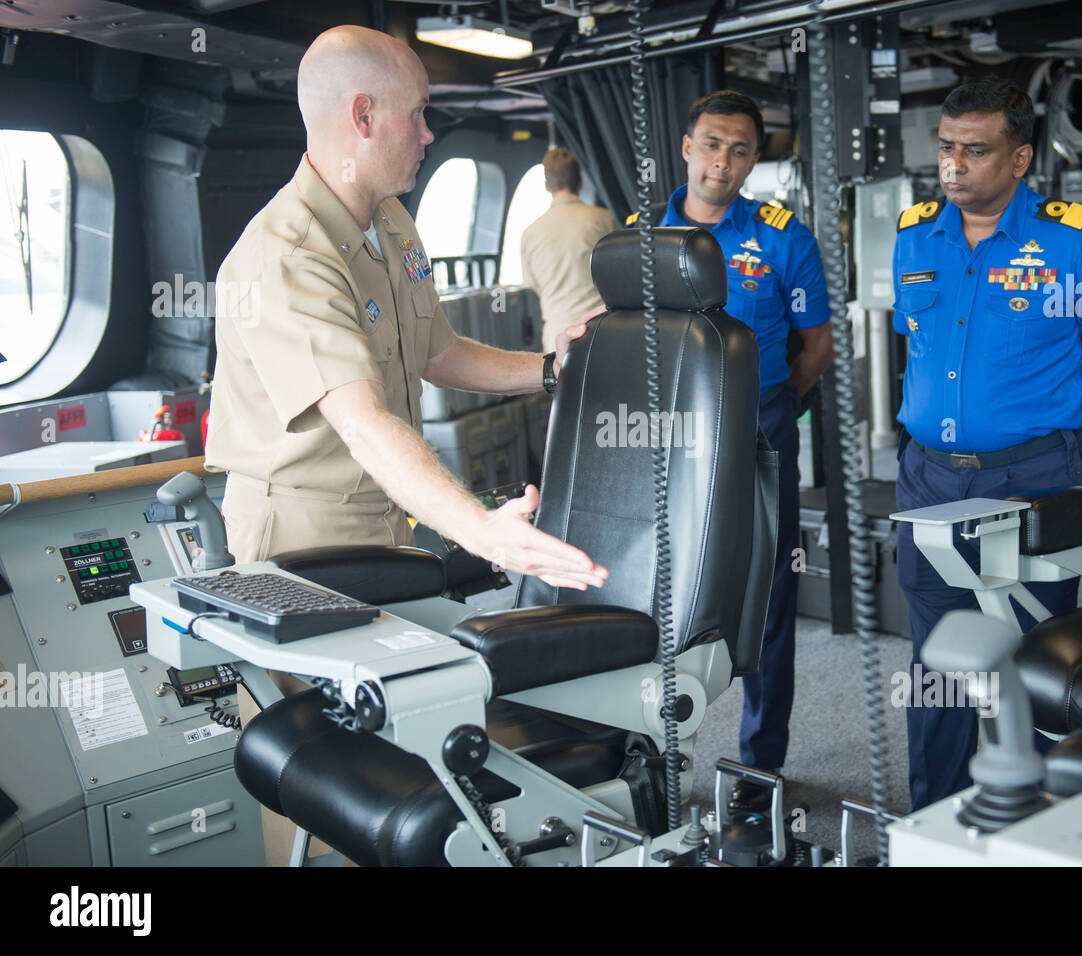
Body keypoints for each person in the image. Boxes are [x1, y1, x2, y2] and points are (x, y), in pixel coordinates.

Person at [204, 25, 608, 863]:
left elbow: (438, 351)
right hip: (299, 541)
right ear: (363, 115)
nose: (429, 134)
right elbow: (363, 419)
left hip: (380, 522)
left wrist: (550, 369)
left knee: (395, 742)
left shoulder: (389, 222)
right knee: (326, 776)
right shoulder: (284, 256)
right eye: (419, 116)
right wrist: (481, 529)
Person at [891, 77, 1082, 810]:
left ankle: (1032, 825)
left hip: (1034, 477)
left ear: (1021, 157)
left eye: (975, 150)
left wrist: (1037, 392)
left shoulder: (1073, 240)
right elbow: (921, 341)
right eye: (945, 148)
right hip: (928, 480)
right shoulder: (916, 233)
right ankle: (933, 819)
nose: (953, 166)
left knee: (1034, 655)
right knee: (937, 663)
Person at [629, 90, 832, 807]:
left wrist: (771, 406)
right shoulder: (639, 237)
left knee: (768, 597)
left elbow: (817, 347)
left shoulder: (784, 237)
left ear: (754, 160)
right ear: (686, 148)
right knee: (655, 593)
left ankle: (758, 765)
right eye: (711, 143)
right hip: (666, 434)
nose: (723, 161)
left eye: (740, 149)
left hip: (761, 427)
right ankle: (645, 755)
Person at [520, 148, 619, 352]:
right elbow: (621, 274)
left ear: (547, 186)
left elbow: (536, 286)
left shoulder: (529, 233)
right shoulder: (605, 220)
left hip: (557, 338)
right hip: (601, 329)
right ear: (580, 181)